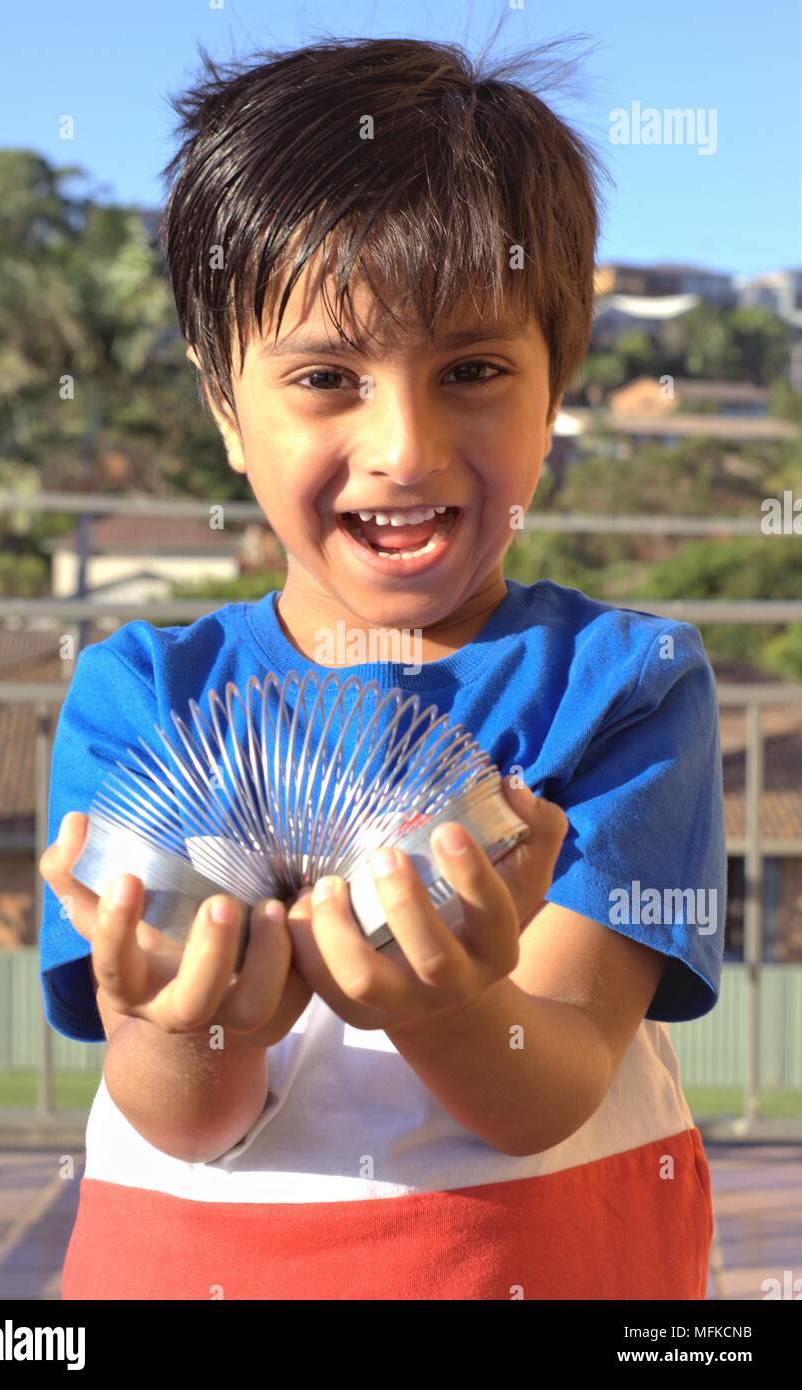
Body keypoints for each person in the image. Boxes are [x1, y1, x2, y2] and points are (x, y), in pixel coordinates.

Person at [38, 33, 725, 1300]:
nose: (402, 448)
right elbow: (176, 1117)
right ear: (225, 407)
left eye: (471, 371)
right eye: (325, 378)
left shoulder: (624, 686)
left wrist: (450, 1007)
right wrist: (185, 1025)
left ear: (555, 380)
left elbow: (553, 1081)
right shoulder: (139, 697)